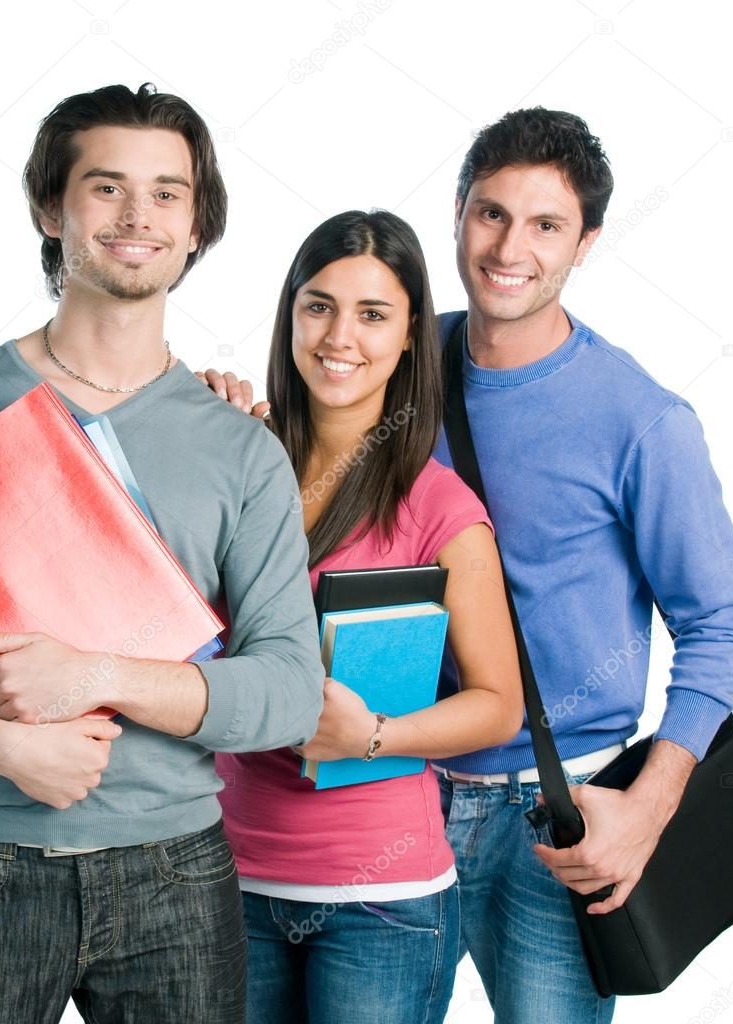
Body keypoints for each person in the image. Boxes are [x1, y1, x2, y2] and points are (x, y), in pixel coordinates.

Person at [202, 108, 733, 1024]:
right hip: (382, 793)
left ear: (586, 242)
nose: (511, 246)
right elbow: (310, 444)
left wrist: (650, 804)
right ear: (458, 214)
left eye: (547, 224)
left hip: (550, 810)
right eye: (491, 214)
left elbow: (723, 622)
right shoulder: (395, 354)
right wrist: (224, 410)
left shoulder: (640, 419)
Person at [0, 83, 325, 1024]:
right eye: (106, 187)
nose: (138, 216)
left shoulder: (239, 444)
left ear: (196, 227)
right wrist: (3, 745)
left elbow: (290, 691)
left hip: (177, 875)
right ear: (51, 210)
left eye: (168, 193)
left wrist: (97, 673)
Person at [215, 209, 523, 1024]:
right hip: (224, 879)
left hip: (380, 902)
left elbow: (498, 702)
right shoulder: (237, 460)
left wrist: (373, 736)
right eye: (318, 306)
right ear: (289, 314)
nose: (338, 336)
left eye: (373, 314)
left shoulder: (439, 509)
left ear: (412, 334)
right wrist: (194, 421)